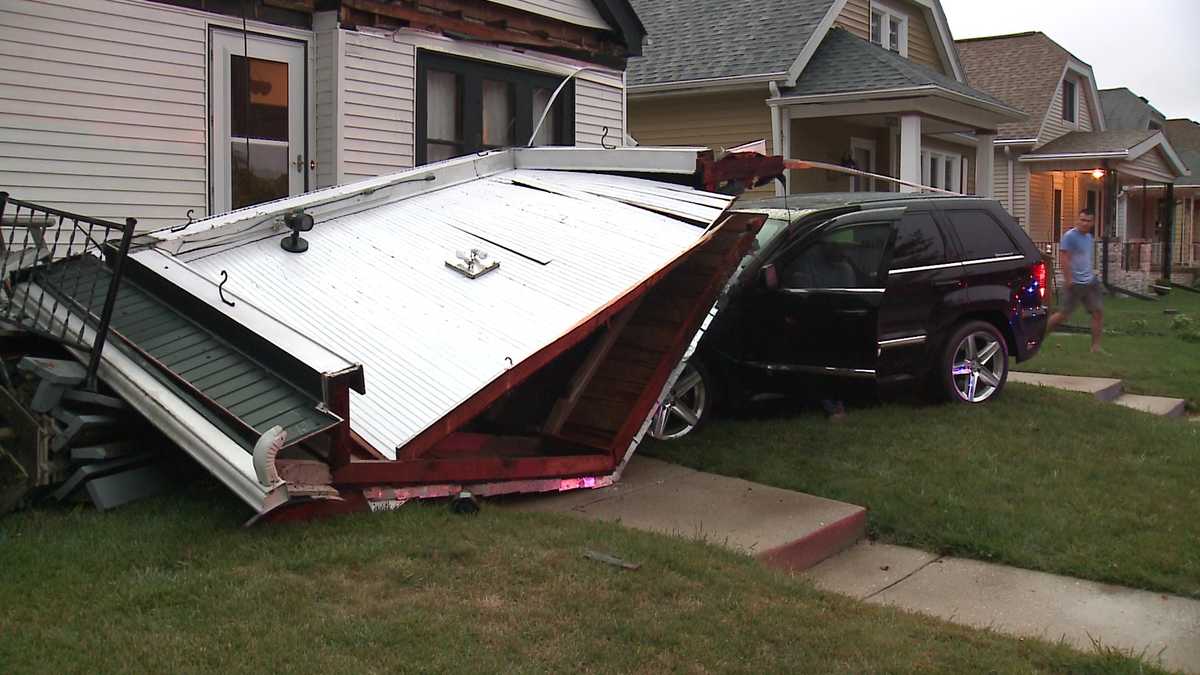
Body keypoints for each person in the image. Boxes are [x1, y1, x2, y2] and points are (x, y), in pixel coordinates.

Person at [1046, 208, 1104, 353]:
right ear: (1078, 220)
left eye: (1088, 221)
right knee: (1063, 315)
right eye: (1082, 220)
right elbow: (1064, 257)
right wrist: (1069, 279)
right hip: (1075, 283)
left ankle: (1096, 347)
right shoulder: (1070, 236)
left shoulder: (1089, 238)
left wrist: (1091, 275)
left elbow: (1085, 259)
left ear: (1092, 222)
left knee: (1098, 312)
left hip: (1089, 281)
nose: (1084, 223)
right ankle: (1037, 338)